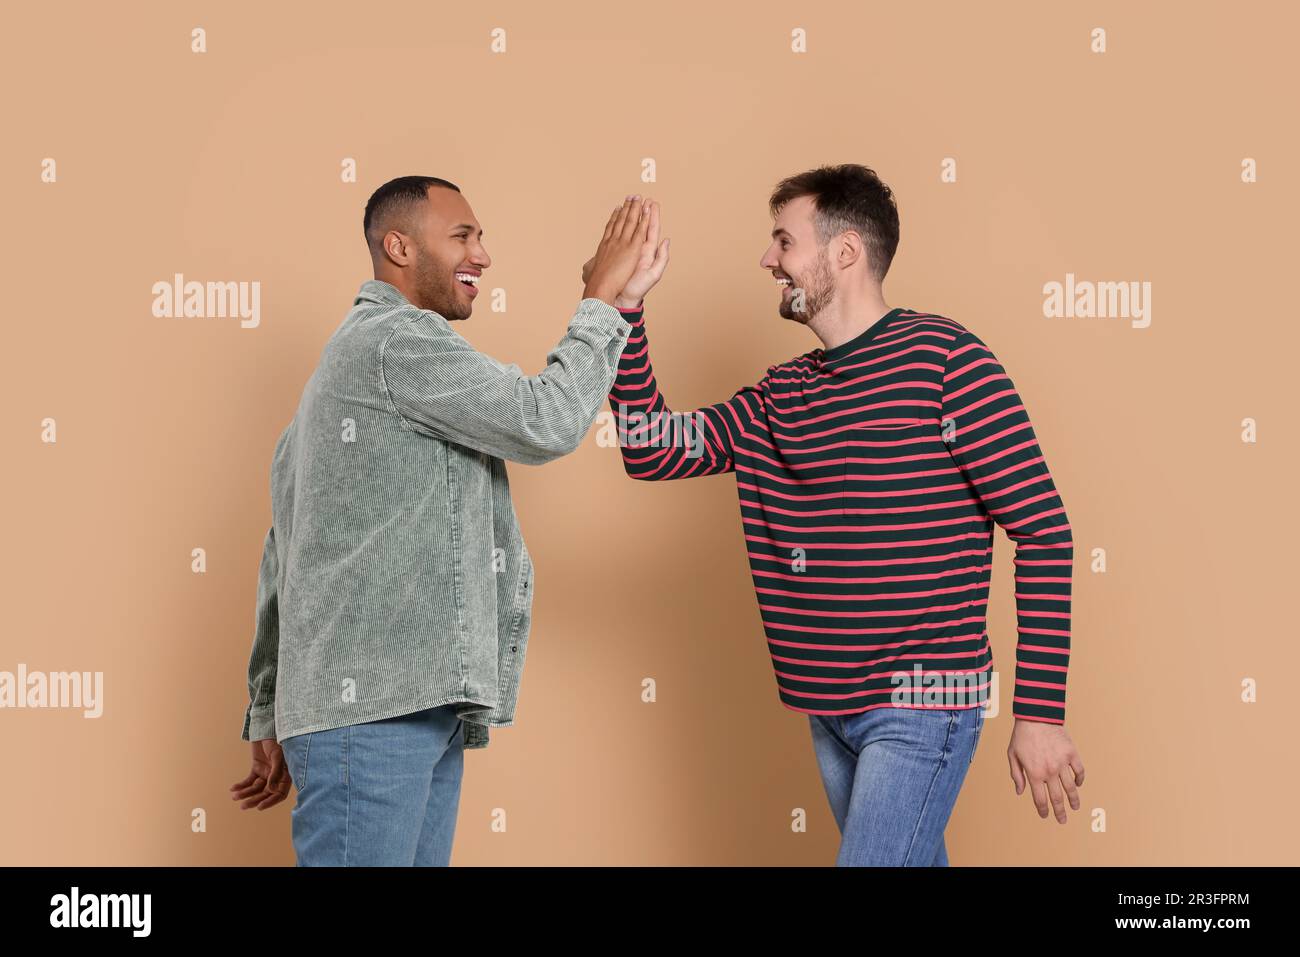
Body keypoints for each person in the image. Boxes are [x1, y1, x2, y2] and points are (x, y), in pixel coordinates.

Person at [604, 166, 1085, 866]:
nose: (767, 259)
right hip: (826, 707)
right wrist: (623, 309)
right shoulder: (781, 395)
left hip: (921, 701)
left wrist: (1039, 712)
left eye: (783, 241)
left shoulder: (949, 362)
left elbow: (1043, 530)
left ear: (845, 252)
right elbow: (650, 448)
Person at [229, 177, 654, 865]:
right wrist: (603, 302)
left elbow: (285, 551)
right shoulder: (397, 343)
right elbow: (543, 418)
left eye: (480, 237)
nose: (483, 254)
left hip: (406, 708)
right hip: (371, 716)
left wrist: (271, 707)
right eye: (463, 235)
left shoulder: (332, 378)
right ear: (398, 246)